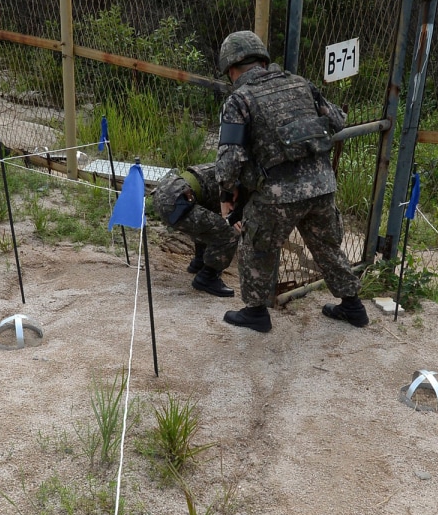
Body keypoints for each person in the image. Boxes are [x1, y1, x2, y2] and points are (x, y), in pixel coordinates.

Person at [212, 30, 368, 333]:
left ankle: (256, 312)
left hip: (277, 195)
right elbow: (338, 119)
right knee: (327, 247)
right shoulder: (301, 84)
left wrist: (226, 195)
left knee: (256, 246)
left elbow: (229, 159)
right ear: (262, 59)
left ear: (231, 69)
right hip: (321, 186)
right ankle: (353, 307)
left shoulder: (239, 99)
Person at [148, 161, 238, 298]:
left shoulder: (224, 166)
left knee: (208, 221)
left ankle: (199, 262)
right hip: (178, 203)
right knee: (229, 233)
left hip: (165, 195)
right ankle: (207, 277)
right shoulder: (235, 176)